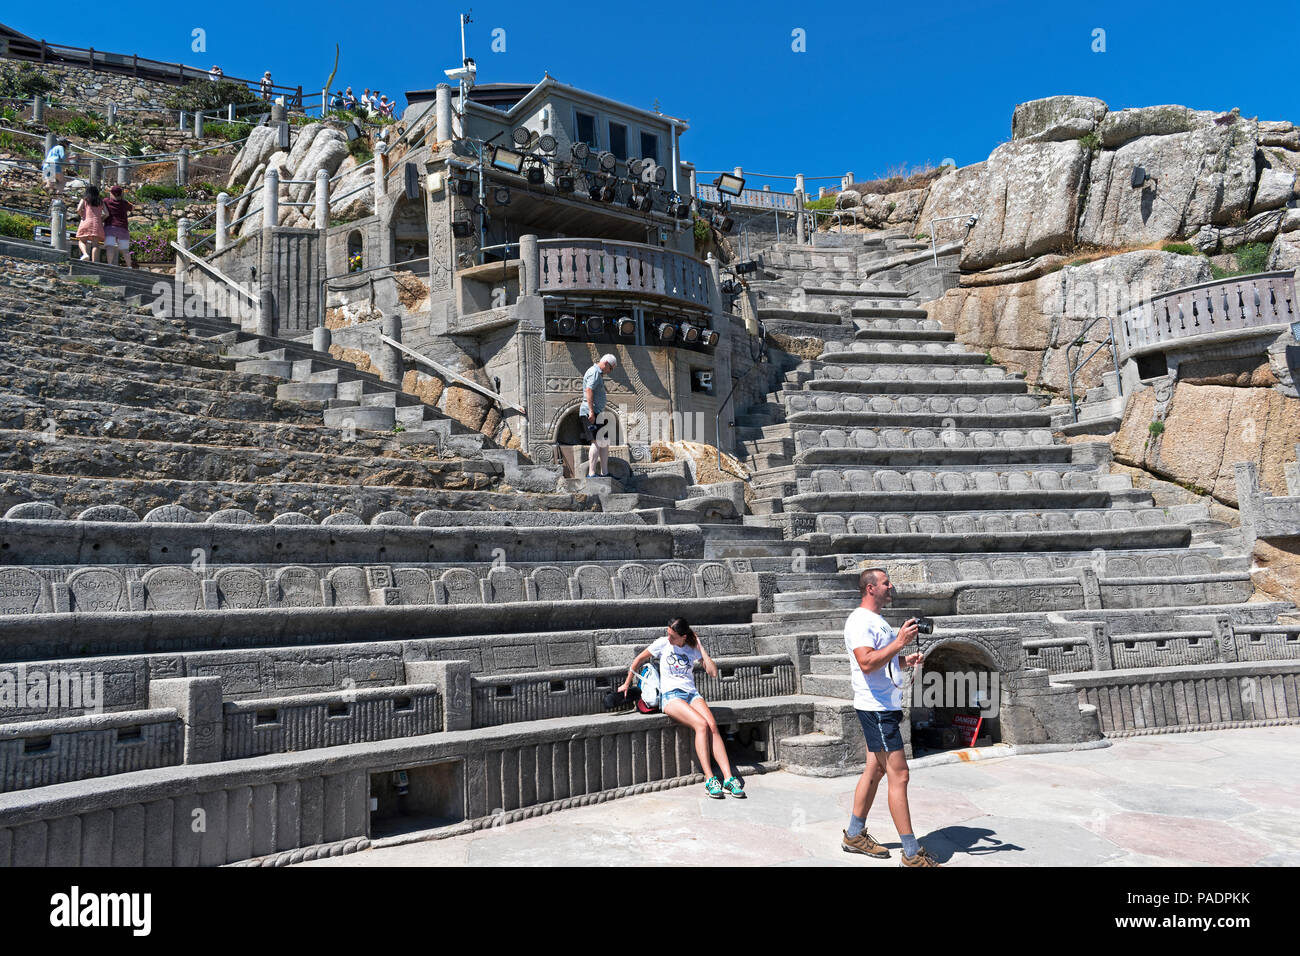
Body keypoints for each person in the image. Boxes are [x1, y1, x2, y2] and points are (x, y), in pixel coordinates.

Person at [841, 568, 939, 867]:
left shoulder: (877, 620)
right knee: (900, 774)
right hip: (877, 709)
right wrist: (899, 643)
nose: (890, 586)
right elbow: (866, 662)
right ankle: (911, 854)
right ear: (870, 588)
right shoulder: (859, 621)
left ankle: (854, 834)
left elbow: (879, 657)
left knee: (876, 770)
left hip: (884, 705)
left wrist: (903, 659)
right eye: (885, 583)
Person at [618, 618, 745, 799]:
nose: (668, 637)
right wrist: (626, 683)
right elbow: (639, 659)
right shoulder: (662, 644)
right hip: (671, 696)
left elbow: (713, 672)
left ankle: (728, 778)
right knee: (701, 725)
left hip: (692, 694)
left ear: (683, 636)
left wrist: (700, 646)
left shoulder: (692, 648)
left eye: (672, 635)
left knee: (712, 726)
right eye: (668, 633)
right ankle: (710, 779)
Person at [579, 353, 617, 478]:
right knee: (596, 441)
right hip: (591, 412)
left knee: (604, 441)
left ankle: (604, 473)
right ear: (606, 363)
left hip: (597, 412)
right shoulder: (594, 372)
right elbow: (589, 390)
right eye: (611, 368)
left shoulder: (598, 373)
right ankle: (591, 473)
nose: (610, 371)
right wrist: (591, 411)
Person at [102, 184, 134, 267]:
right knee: (125, 250)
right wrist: (124, 200)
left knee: (110, 247)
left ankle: (109, 264)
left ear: (111, 193)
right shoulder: (124, 203)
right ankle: (129, 266)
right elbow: (133, 207)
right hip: (123, 228)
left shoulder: (106, 201)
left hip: (110, 227)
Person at [75, 183, 106, 262]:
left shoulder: (85, 199)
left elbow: (78, 209)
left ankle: (85, 254)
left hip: (86, 221)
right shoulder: (100, 201)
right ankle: (94, 262)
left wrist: (82, 215)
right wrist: (101, 219)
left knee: (82, 240)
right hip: (97, 223)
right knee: (95, 244)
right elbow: (107, 213)